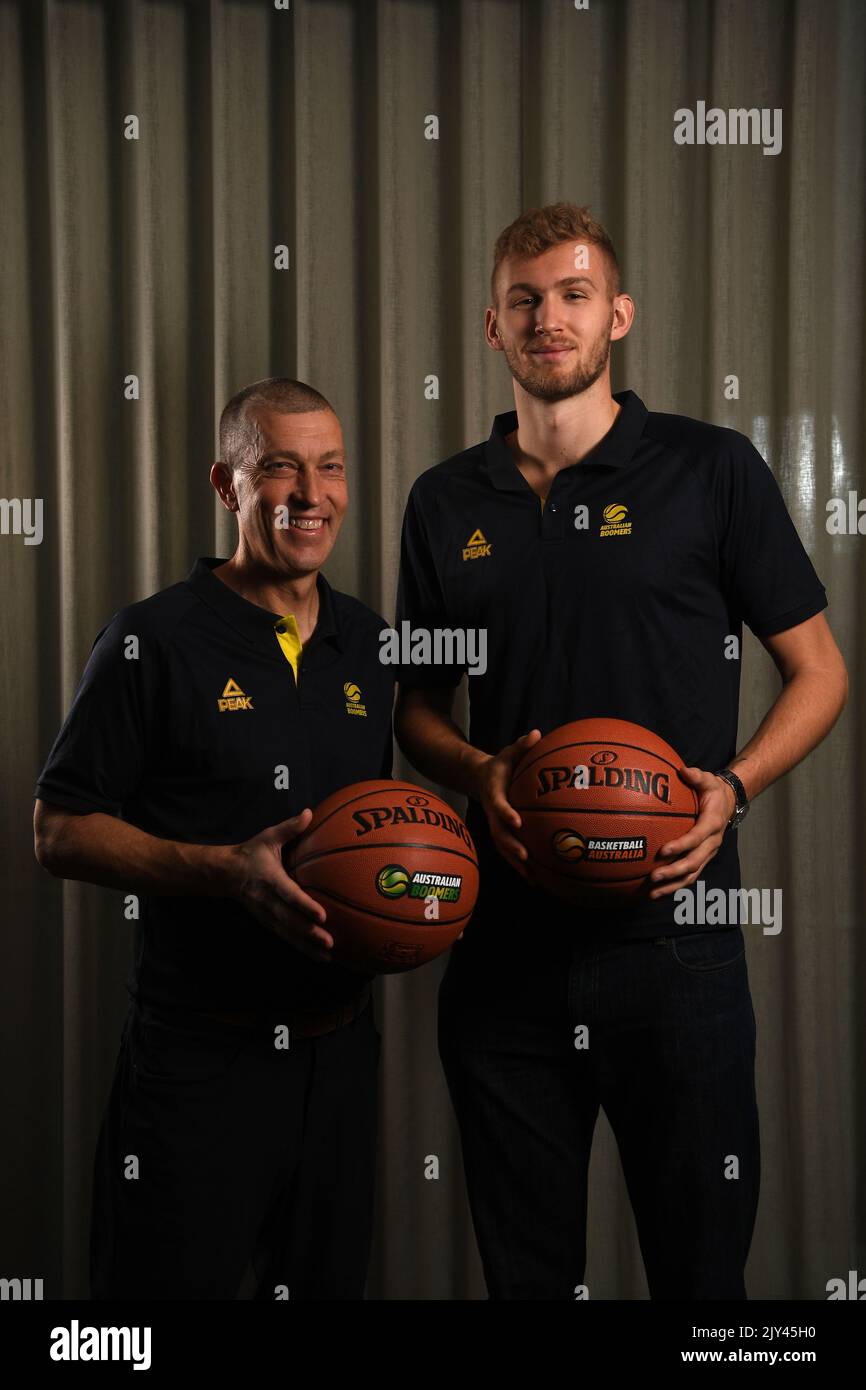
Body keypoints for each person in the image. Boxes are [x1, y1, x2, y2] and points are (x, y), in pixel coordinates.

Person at [393, 203, 848, 1300]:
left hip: (672, 939)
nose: (547, 316)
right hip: (502, 945)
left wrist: (729, 786)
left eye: (573, 293)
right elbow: (413, 704)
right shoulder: (444, 499)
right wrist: (476, 771)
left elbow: (821, 670)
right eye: (524, 299)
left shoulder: (711, 470)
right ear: (490, 328)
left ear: (618, 315)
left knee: (700, 1284)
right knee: (526, 1278)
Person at [33, 377, 394, 1300]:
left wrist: (420, 906)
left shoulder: (369, 644)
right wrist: (224, 872)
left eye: (330, 468)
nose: (311, 495)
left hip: (339, 1053)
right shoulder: (151, 639)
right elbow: (59, 828)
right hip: (200, 1059)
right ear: (226, 486)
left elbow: (381, 834)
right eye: (279, 468)